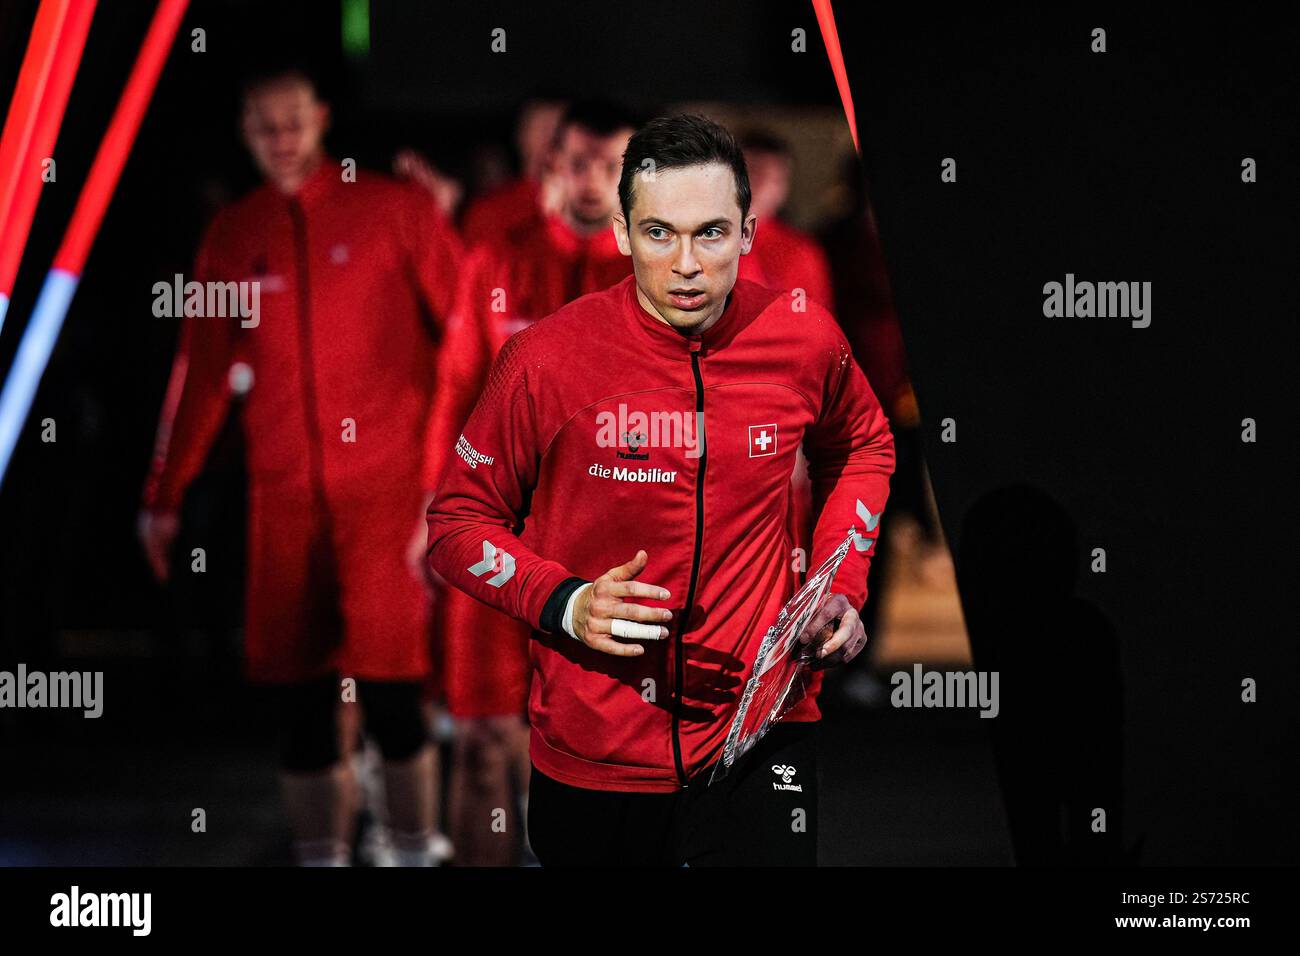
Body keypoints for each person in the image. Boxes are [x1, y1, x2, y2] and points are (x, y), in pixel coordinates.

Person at [425, 114, 895, 865]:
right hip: (597, 751)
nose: (685, 264)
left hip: (764, 728)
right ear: (620, 233)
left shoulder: (804, 338)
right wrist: (565, 602)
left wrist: (838, 582)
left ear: (748, 232)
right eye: (658, 233)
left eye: (710, 233)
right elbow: (457, 521)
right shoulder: (545, 360)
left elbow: (864, 443)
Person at [138, 66, 460, 866]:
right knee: (302, 700)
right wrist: (163, 492)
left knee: (392, 692)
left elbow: (467, 345)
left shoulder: (395, 209)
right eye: (261, 126)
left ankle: (414, 850)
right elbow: (202, 371)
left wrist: (454, 484)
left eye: (292, 122)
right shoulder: (233, 231)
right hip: (283, 500)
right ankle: (322, 858)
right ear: (242, 131)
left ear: (321, 119)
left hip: (389, 496)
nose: (279, 141)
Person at [424, 100, 638, 865]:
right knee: (481, 738)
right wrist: (432, 508)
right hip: (499, 539)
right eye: (580, 162)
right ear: (553, 163)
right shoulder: (495, 261)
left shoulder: (665, 280)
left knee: (610, 757)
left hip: (618, 554)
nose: (593, 180)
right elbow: (453, 391)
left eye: (613, 165)